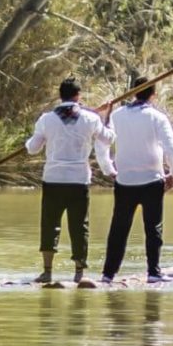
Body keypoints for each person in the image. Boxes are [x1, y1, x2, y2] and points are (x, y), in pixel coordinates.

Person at [25, 77, 115, 285]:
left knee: (50, 224)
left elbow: (32, 149)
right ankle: (79, 273)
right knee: (79, 225)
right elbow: (108, 138)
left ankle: (47, 271)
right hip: (78, 180)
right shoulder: (91, 119)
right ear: (78, 95)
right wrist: (107, 117)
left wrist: (30, 141)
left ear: (60, 95)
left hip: (53, 179)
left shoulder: (46, 119)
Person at [101, 73, 173, 283]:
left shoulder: (117, 115)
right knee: (153, 228)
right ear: (153, 94)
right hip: (151, 180)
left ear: (134, 92)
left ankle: (108, 274)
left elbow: (103, 143)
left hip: (125, 180)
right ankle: (153, 272)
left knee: (119, 228)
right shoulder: (157, 117)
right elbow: (171, 147)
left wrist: (108, 168)